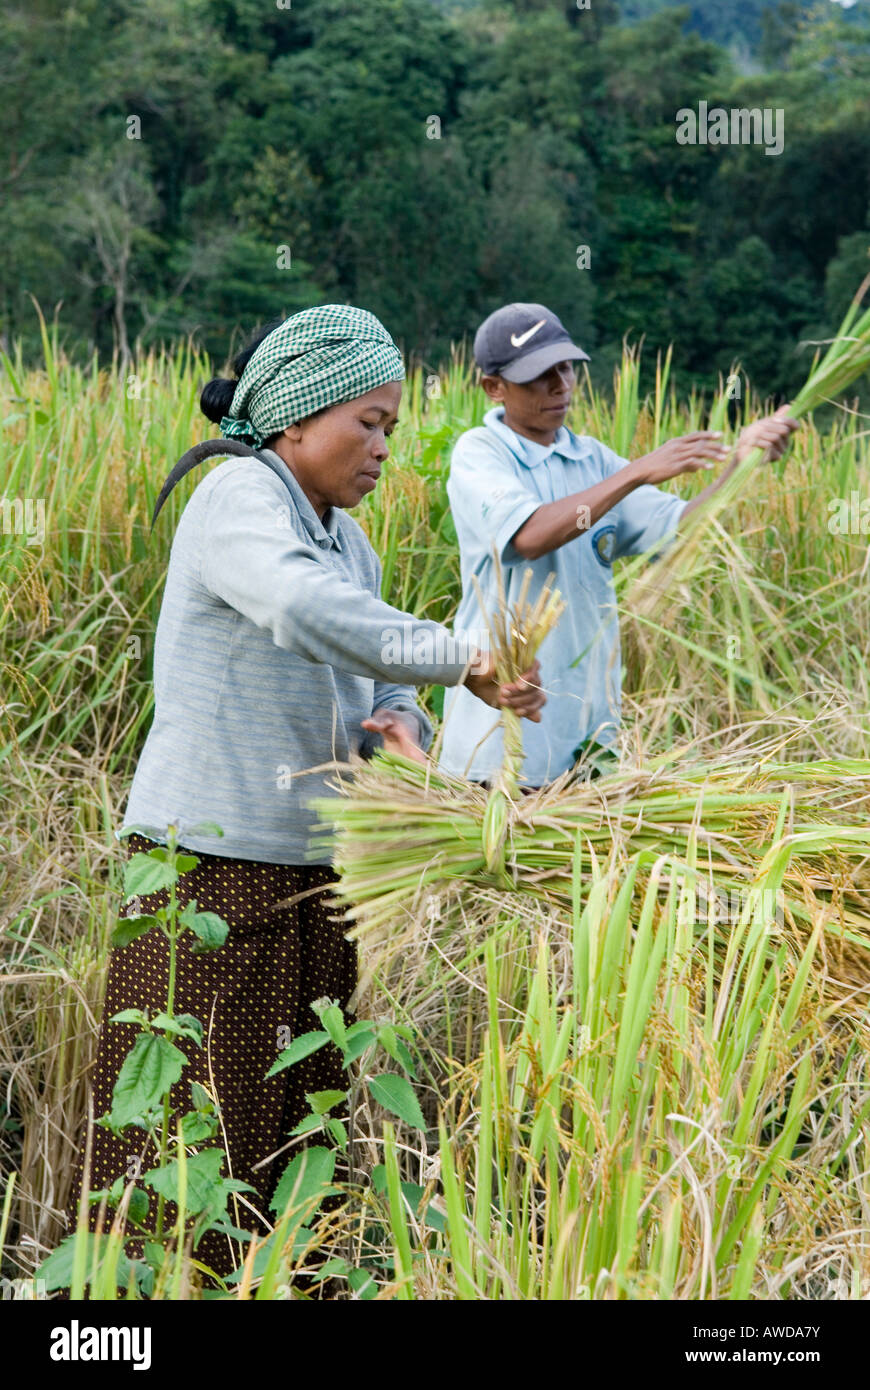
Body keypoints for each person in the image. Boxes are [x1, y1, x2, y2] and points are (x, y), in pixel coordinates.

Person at [63, 304, 544, 1287]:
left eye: (391, 430)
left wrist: (402, 731)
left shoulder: (350, 545)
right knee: (188, 1138)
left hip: (319, 877)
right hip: (207, 872)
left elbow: (372, 680)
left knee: (293, 1133)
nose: (381, 449)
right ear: (293, 419)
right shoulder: (240, 499)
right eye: (366, 423)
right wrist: (465, 657)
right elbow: (299, 607)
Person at [437, 301, 798, 789]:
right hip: (501, 740)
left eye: (565, 368)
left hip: (587, 743)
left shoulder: (591, 460)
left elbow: (680, 530)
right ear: (493, 387)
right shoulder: (481, 453)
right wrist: (636, 472)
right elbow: (530, 535)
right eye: (538, 376)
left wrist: (741, 464)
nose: (560, 386)